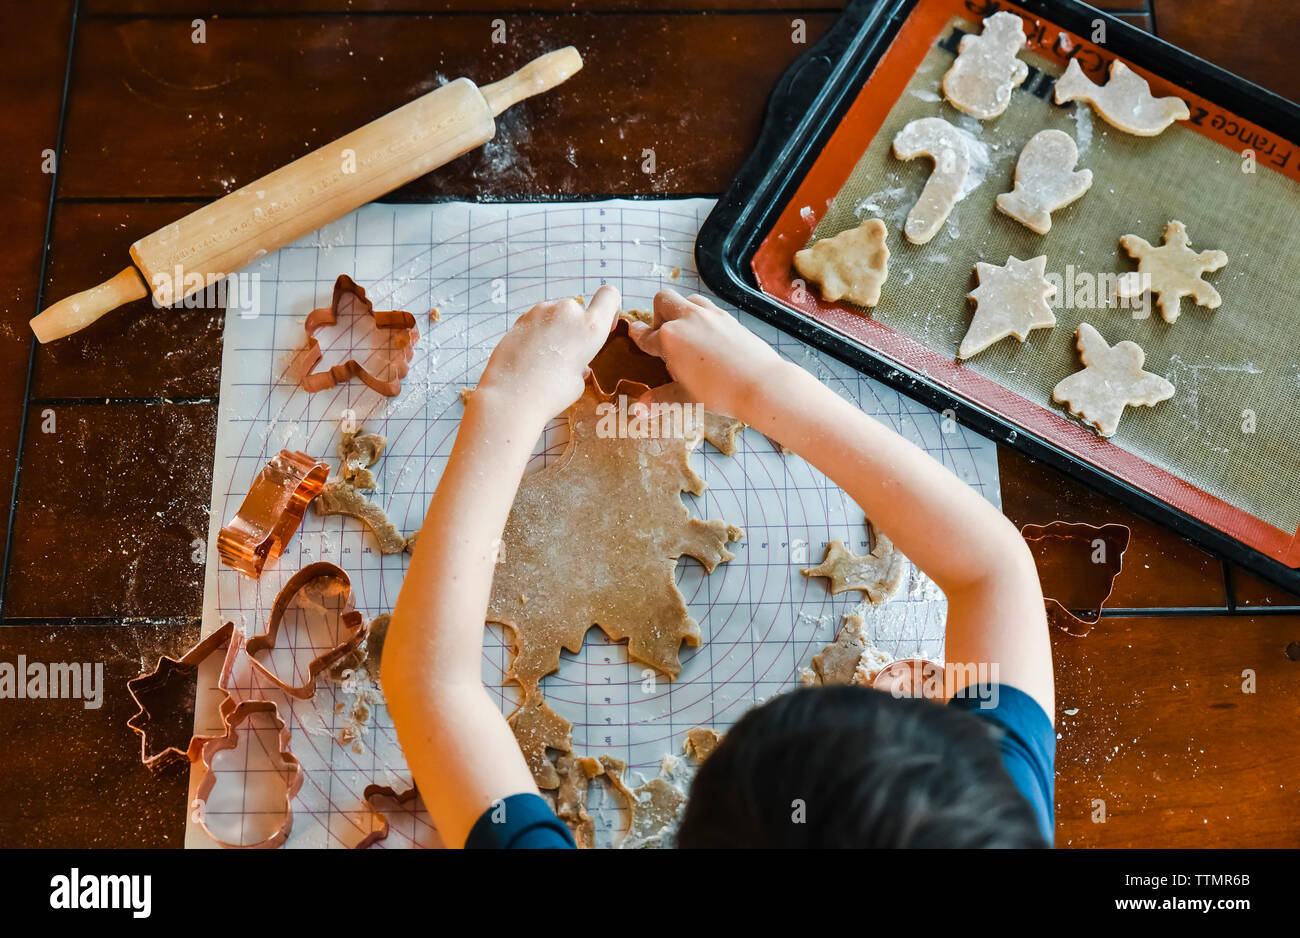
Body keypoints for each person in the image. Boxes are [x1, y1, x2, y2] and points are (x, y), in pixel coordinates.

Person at [384, 285, 1054, 849]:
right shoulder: (987, 820)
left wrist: (507, 405)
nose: (883, 680)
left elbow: (428, 679)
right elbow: (993, 569)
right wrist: (765, 384)